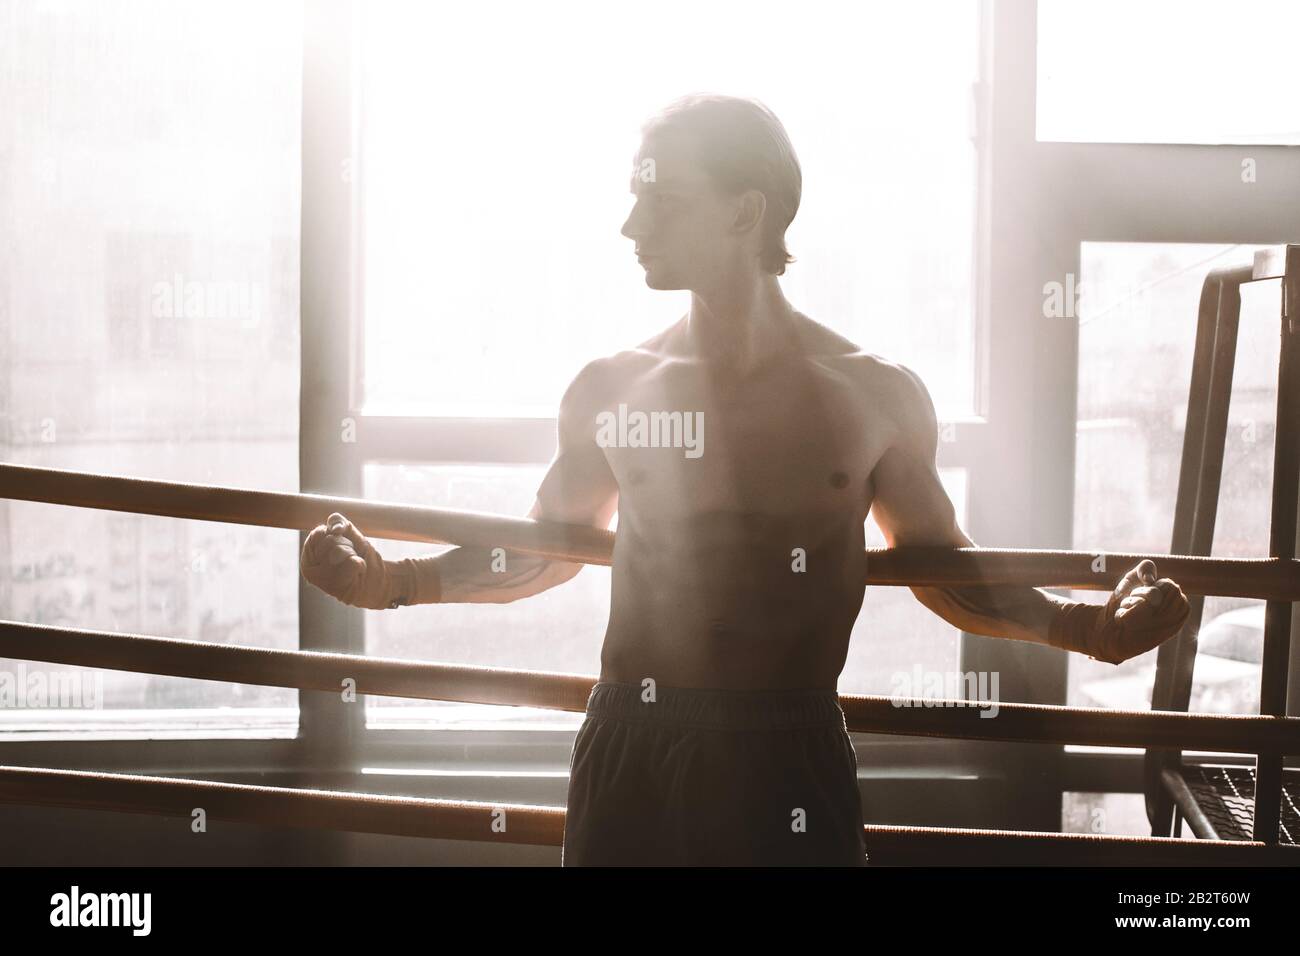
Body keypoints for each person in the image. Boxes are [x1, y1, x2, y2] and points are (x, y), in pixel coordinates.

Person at [301, 93, 1191, 866]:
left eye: (661, 198)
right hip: (635, 735)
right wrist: (390, 581)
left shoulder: (871, 394)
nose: (630, 225)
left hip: (788, 747)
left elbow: (939, 568)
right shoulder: (614, 386)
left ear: (744, 213)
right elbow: (544, 552)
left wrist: (1087, 628)